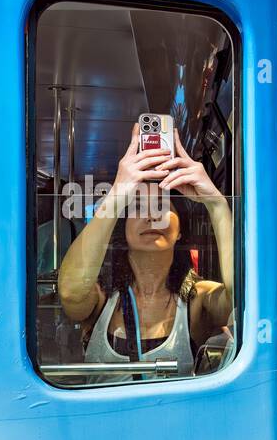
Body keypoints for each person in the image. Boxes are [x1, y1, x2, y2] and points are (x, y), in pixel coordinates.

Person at [58, 123, 233, 381]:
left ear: (180, 228)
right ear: (122, 227)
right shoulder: (102, 297)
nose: (152, 215)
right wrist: (117, 194)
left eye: (162, 206)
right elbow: (70, 292)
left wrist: (216, 203)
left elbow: (246, 300)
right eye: (138, 206)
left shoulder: (198, 299)